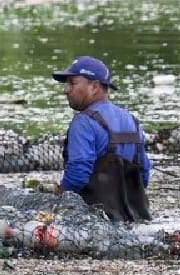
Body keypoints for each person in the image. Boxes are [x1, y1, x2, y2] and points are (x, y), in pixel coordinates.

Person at [53, 55, 152, 221]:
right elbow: (144, 176)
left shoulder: (84, 122)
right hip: (135, 219)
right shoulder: (132, 120)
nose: (66, 89)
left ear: (94, 87)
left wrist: (58, 201)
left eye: (73, 83)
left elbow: (78, 174)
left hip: (96, 223)